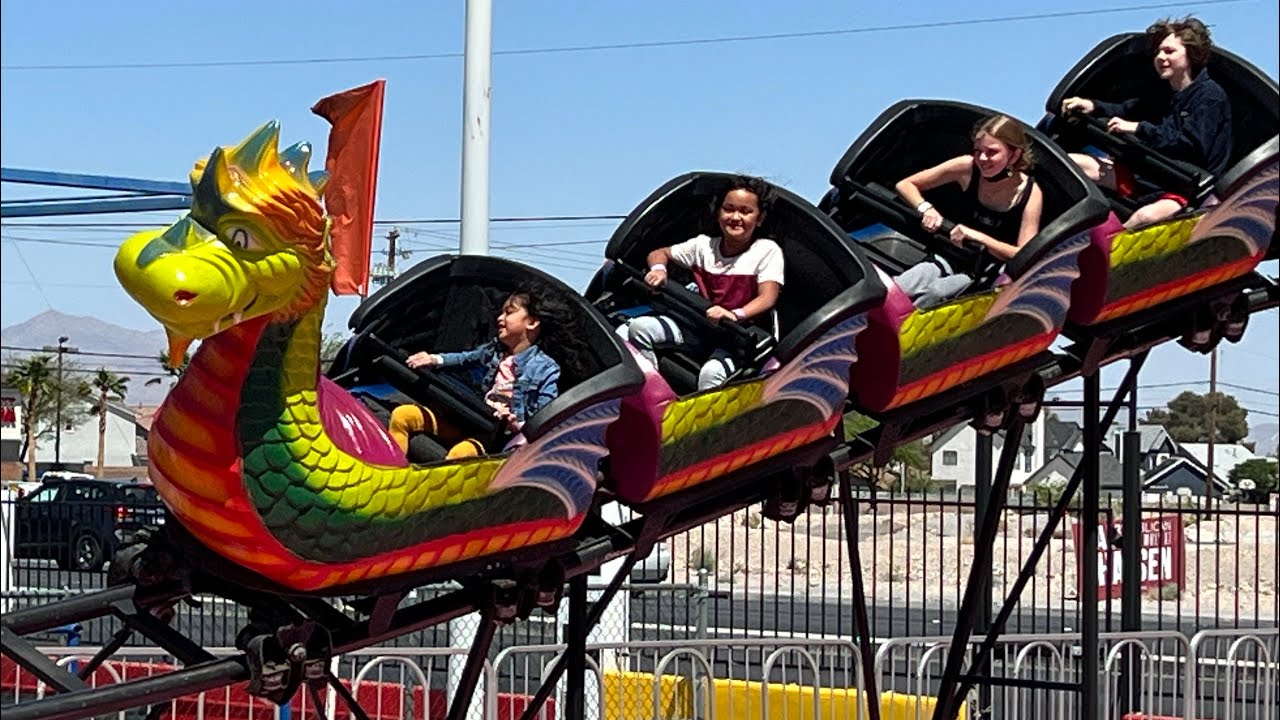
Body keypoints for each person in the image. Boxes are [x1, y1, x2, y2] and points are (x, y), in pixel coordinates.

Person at [1062, 16, 1232, 229]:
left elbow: (1190, 144)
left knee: (1145, 218)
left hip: (1185, 189)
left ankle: (1107, 255)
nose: (1160, 57)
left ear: (1192, 54)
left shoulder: (1210, 97)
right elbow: (1127, 108)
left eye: (1169, 51)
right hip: (1149, 175)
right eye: (1158, 52)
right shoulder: (1164, 93)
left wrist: (1138, 129)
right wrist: (1093, 105)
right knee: (1071, 164)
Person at [620, 175, 785, 391]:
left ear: (759, 218)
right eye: (729, 209)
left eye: (745, 212)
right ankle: (654, 394)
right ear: (718, 213)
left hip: (736, 338)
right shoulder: (704, 246)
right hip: (699, 327)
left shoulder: (766, 250)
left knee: (711, 374)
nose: (735, 217)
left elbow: (768, 297)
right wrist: (658, 270)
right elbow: (659, 253)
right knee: (640, 328)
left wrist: (735, 315)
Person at [390, 281, 588, 460]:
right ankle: (392, 472)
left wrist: (517, 423)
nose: (500, 318)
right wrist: (433, 359)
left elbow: (545, 415)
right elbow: (463, 359)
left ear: (532, 322)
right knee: (402, 415)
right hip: (471, 419)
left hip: (493, 436)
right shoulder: (493, 352)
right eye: (501, 312)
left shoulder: (546, 368)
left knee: (460, 455)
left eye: (509, 312)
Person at [892, 114, 1045, 309]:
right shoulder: (966, 166)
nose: (982, 158)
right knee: (903, 286)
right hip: (949, 255)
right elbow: (906, 185)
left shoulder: (1030, 193)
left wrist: (980, 238)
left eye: (992, 152)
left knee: (936, 293)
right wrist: (926, 209)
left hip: (981, 273)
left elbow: (1023, 253)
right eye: (978, 151)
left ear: (1014, 155)